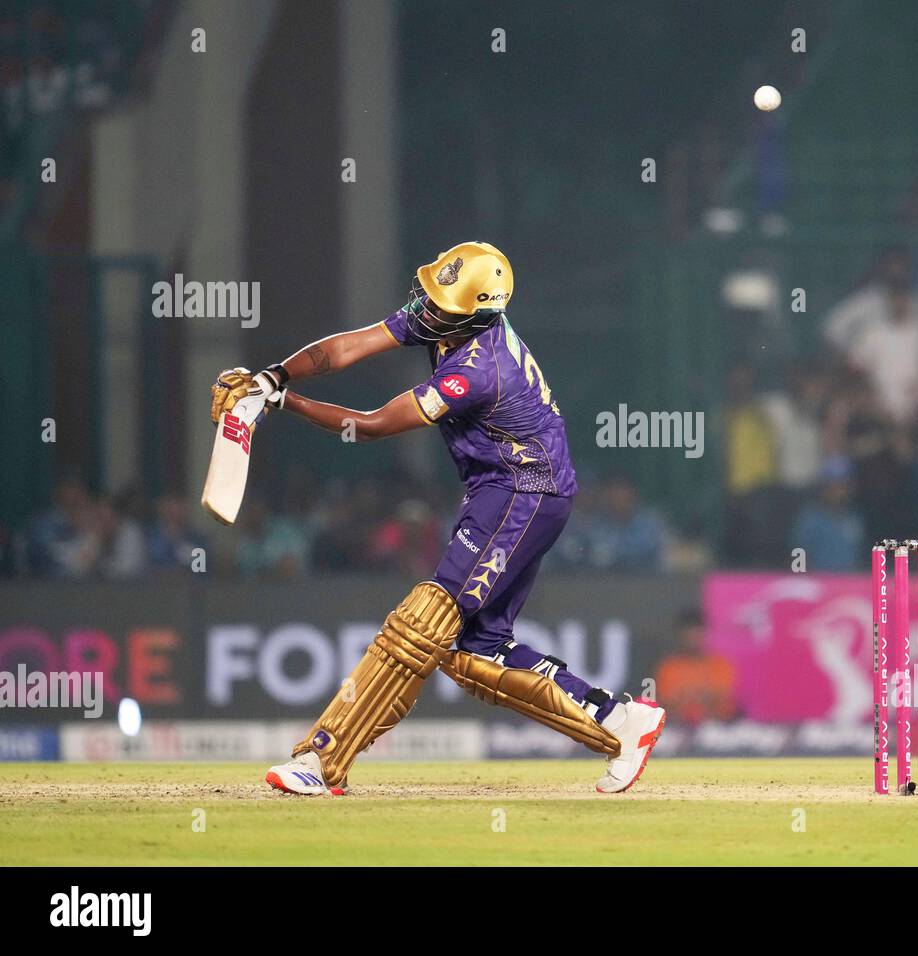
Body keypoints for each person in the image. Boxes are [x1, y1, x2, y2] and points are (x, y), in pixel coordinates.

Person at [210, 242, 666, 795]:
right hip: (508, 491)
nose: (426, 310)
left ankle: (320, 761)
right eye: (427, 295)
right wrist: (272, 379)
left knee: (424, 620)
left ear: (478, 314)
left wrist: (284, 406)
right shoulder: (445, 319)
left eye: (441, 305)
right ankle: (621, 723)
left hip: (523, 490)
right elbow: (350, 346)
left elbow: (373, 425)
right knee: (476, 652)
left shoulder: (479, 369)